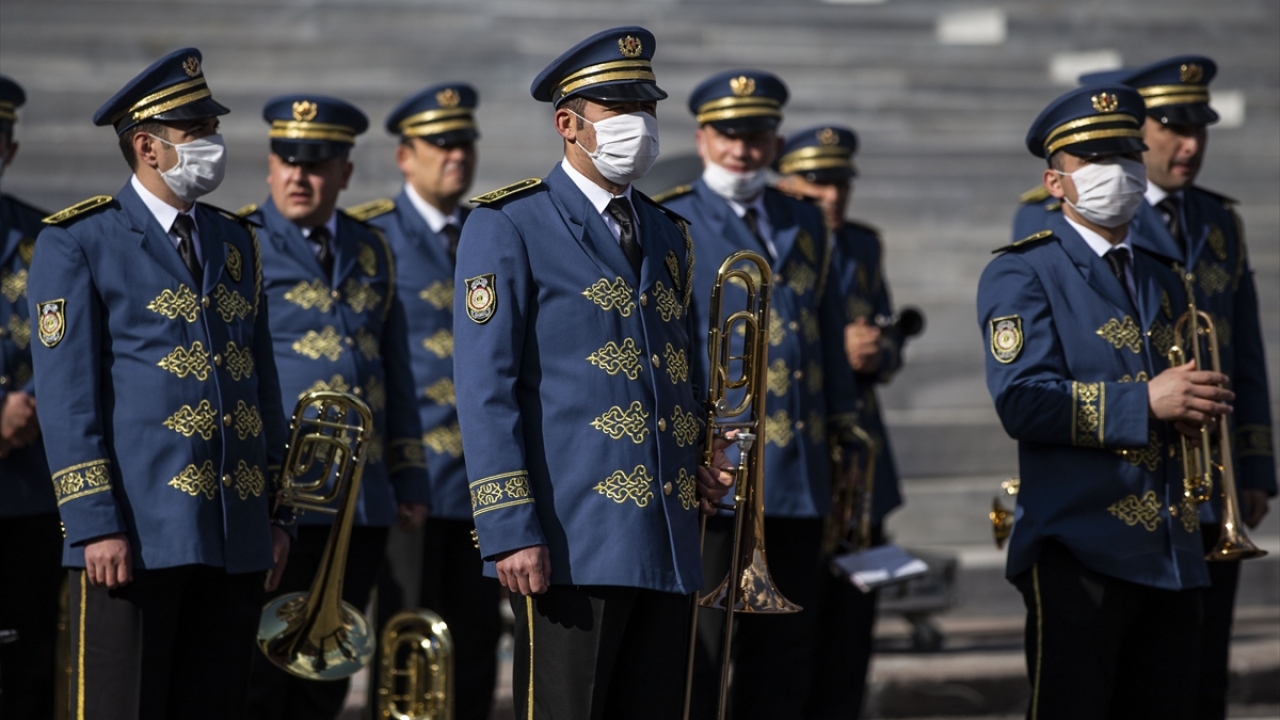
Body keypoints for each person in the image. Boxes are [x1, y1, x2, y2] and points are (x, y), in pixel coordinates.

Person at [453, 26, 733, 720]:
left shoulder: (670, 233)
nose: (638, 126)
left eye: (647, 109)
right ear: (568, 125)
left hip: (666, 538)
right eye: (618, 110)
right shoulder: (508, 224)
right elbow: (485, 390)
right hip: (571, 538)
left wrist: (703, 452)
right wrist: (511, 528)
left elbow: (679, 372)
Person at [27, 48, 290, 719]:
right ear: (146, 146)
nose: (213, 144)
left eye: (211, 128)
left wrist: (274, 514)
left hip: (232, 533)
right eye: (195, 132)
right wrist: (93, 525)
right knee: (126, 704)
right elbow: (67, 396)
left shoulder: (237, 241)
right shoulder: (80, 240)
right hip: (136, 535)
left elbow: (259, 383)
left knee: (214, 702)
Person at [1012, 58, 1276, 717]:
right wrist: (1146, 403)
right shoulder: (1035, 252)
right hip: (1089, 522)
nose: (1184, 145)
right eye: (1102, 156)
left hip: (1181, 517)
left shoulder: (1197, 241)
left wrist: (1251, 464)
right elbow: (1025, 395)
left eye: (1127, 152)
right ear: (1055, 181)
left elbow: (1241, 353)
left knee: (1190, 690)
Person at [657, 70, 860, 720]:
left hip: (794, 472)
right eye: (727, 135)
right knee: (703, 651)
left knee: (787, 654)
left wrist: (841, 435)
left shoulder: (804, 218)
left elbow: (824, 336)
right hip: (718, 469)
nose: (742, 149)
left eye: (757, 135)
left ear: (775, 141)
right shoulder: (674, 216)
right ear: (702, 137)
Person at [242, 94, 432, 719]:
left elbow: (394, 368)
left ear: (345, 172)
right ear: (270, 166)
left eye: (318, 163)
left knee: (328, 667)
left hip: (362, 493)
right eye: (288, 160)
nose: (300, 175)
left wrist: (407, 472)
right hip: (285, 492)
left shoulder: (371, 246)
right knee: (261, 668)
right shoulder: (240, 239)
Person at [349, 82, 500, 720]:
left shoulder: (491, 229)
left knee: (475, 648)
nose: (456, 156)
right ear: (405, 156)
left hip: (484, 479)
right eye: (440, 144)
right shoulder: (372, 235)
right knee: (406, 643)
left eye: (463, 142)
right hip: (410, 480)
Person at [774, 123, 906, 719]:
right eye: (816, 182)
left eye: (840, 183)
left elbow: (885, 333)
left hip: (857, 465)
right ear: (785, 181)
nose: (831, 196)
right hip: (797, 461)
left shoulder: (862, 245)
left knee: (850, 642)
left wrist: (880, 353)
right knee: (787, 648)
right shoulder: (776, 236)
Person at [0, 73, 60, 720]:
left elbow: (68, 341)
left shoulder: (45, 241)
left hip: (24, 493)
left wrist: (28, 405)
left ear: (10, 150)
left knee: (25, 667)